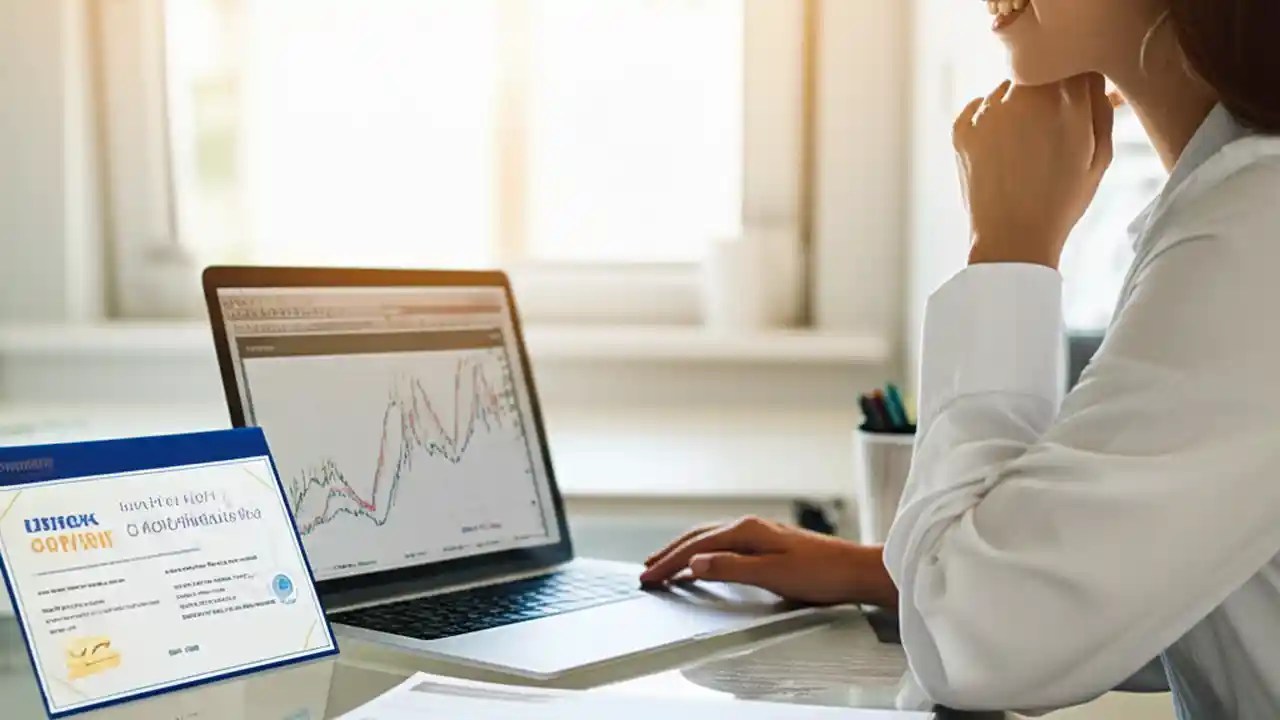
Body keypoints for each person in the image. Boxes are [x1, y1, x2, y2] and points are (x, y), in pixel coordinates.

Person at [641, 0, 1280, 716]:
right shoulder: (1237, 207)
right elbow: (1167, 586)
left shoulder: (1256, 233)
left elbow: (982, 653)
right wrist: (891, 574)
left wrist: (1008, 250)